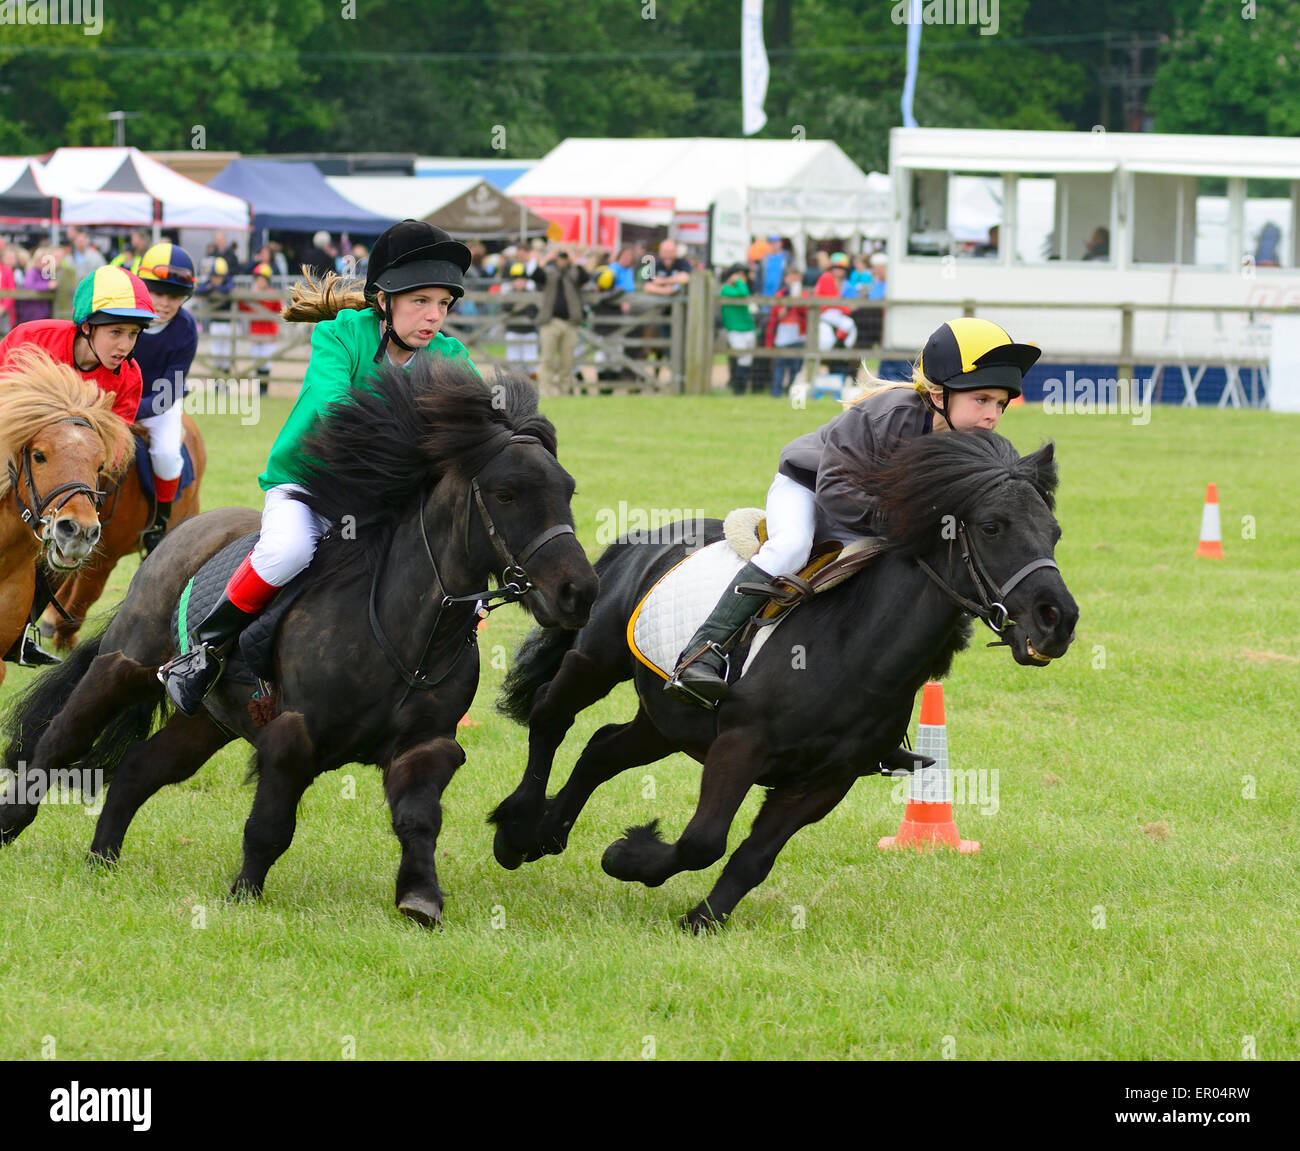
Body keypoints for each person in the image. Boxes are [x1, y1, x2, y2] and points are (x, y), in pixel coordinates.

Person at [158, 219, 478, 714]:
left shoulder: (450, 355)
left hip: (387, 499)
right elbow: (333, 408)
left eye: (443, 304)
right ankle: (203, 653)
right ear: (383, 301)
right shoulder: (339, 335)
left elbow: (478, 423)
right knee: (287, 551)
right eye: (420, 301)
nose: (434, 317)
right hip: (310, 486)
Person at [665, 316, 1041, 705]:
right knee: (792, 547)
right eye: (981, 400)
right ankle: (701, 653)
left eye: (1000, 403)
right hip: (808, 488)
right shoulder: (887, 415)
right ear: (939, 394)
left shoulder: (971, 444)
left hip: (869, 513)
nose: (992, 414)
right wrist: (906, 526)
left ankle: (874, 719)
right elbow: (834, 492)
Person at [0, 265, 155, 665]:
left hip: (64, 475)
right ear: (86, 327)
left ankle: (20, 631)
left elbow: (114, 447)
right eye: (116, 332)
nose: (125, 345)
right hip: (11, 452)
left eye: (133, 335)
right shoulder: (31, 338)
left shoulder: (130, 378)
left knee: (71, 537)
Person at [133, 243, 199, 555]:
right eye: (157, 292)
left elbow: (172, 386)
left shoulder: (186, 329)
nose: (164, 302)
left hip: (160, 403)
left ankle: (159, 523)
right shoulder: (124, 315)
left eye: (174, 296)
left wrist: (136, 410)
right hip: (113, 399)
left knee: (168, 455)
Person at [531, 248, 589, 397]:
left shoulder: (574, 273)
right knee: (547, 359)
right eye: (560, 257)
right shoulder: (549, 272)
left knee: (567, 361)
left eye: (564, 257)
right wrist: (547, 258)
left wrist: (574, 260)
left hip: (570, 323)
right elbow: (535, 276)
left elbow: (586, 277)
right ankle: (546, 391)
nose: (562, 260)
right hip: (550, 322)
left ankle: (563, 391)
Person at [764, 264, 808, 398]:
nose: (794, 280)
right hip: (783, 336)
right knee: (779, 368)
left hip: (798, 336)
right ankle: (776, 394)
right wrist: (790, 302)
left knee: (796, 368)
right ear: (786, 279)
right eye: (791, 277)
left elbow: (805, 313)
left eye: (797, 278)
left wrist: (798, 299)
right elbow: (779, 315)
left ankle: (793, 394)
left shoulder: (804, 295)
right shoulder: (781, 295)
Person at [240, 262, 281, 393]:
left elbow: (279, 311)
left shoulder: (273, 295)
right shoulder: (252, 294)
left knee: (266, 363)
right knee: (256, 362)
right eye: (258, 279)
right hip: (255, 333)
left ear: (267, 281)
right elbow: (243, 308)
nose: (260, 282)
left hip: (268, 334)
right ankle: (259, 390)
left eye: (262, 279)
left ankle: (264, 390)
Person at [719, 265, 757, 394]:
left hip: (748, 328)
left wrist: (740, 281)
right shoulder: (726, 289)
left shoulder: (743, 287)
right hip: (735, 329)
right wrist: (739, 281)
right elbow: (743, 293)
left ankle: (742, 389)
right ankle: (737, 389)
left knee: (747, 360)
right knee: (740, 358)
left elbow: (744, 292)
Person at [194, 256, 234, 373]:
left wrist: (214, 288)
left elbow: (229, 288)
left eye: (220, 276)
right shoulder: (209, 283)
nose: (217, 279)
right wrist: (211, 287)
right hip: (215, 323)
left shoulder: (228, 282)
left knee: (226, 353)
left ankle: (225, 381)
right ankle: (217, 382)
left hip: (228, 323)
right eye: (215, 276)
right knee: (216, 352)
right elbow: (199, 290)